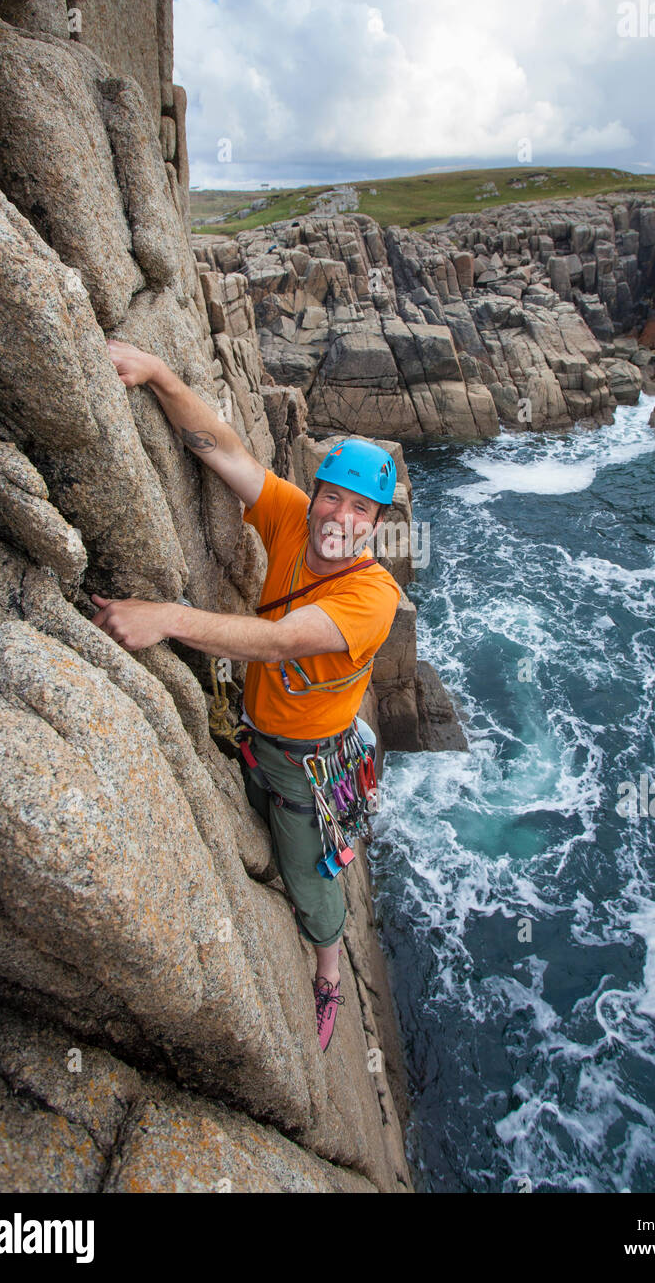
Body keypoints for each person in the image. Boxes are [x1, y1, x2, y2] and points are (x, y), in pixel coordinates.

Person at [90, 339, 401, 1051]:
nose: (338, 518)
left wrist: (164, 617)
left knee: (308, 870)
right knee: (266, 822)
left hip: (306, 759)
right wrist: (161, 375)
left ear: (376, 524)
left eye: (360, 510)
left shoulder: (371, 598)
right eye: (332, 498)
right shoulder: (294, 516)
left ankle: (329, 971)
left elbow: (282, 641)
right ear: (316, 492)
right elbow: (221, 449)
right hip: (262, 736)